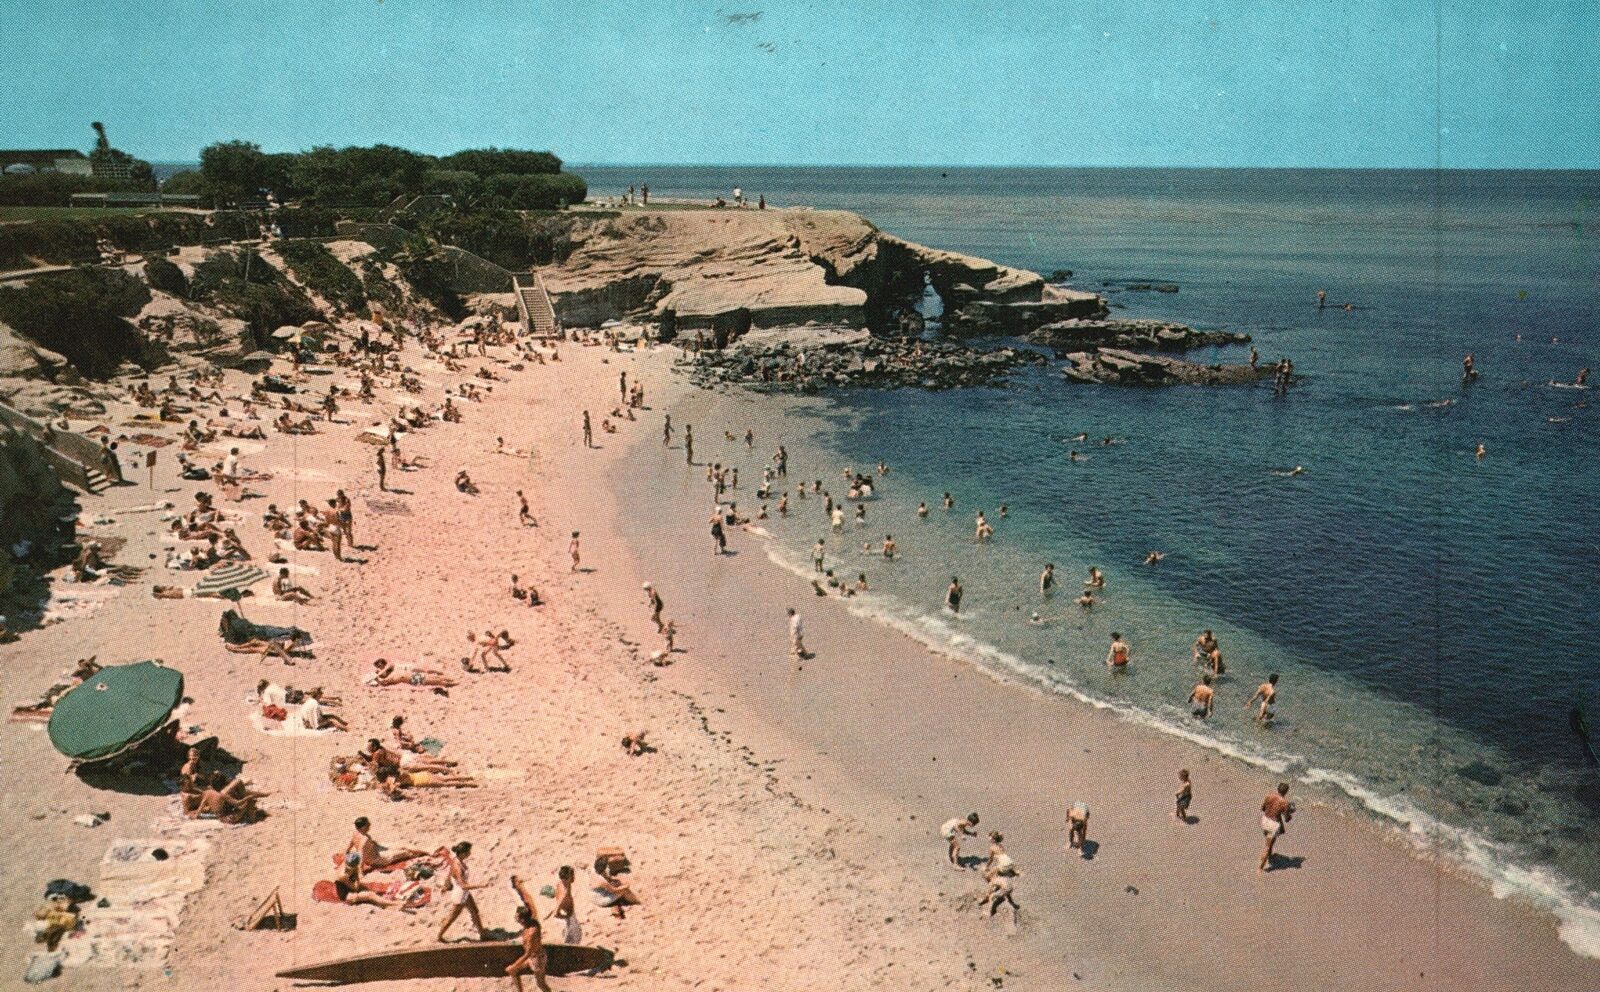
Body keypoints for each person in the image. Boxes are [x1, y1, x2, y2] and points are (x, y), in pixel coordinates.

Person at [507, 876, 553, 992]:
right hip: (534, 957)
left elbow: (528, 953)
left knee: (541, 984)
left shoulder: (531, 933)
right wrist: (519, 887)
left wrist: (514, 964)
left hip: (537, 959)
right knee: (513, 972)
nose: (516, 918)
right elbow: (528, 900)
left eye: (517, 917)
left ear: (522, 920)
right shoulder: (533, 920)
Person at [438, 841, 487, 941]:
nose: (470, 853)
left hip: (464, 893)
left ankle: (482, 934)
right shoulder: (458, 866)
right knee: (452, 917)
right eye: (469, 851)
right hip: (460, 895)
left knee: (475, 912)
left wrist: (446, 886)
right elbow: (463, 886)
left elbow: (449, 875)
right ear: (463, 853)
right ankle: (439, 936)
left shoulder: (456, 860)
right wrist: (481, 885)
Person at [347, 816, 425, 872]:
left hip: (375, 848)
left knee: (401, 846)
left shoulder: (355, 833)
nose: (369, 825)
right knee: (405, 853)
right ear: (362, 827)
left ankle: (425, 850)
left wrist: (347, 853)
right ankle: (425, 852)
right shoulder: (365, 840)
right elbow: (361, 855)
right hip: (376, 859)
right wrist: (360, 872)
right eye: (367, 824)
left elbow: (350, 845)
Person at [1260, 783, 1294, 871]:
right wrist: (1290, 813)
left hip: (1264, 820)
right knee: (1267, 846)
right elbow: (1287, 819)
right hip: (1273, 824)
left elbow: (1263, 808)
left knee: (1270, 840)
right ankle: (1260, 868)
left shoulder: (1269, 796)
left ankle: (1270, 855)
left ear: (1277, 789)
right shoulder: (1284, 802)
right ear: (1286, 792)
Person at [549, 864, 581, 945]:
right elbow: (560, 902)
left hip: (567, 915)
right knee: (574, 940)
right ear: (569, 877)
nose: (574, 877)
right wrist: (561, 914)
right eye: (572, 875)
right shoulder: (565, 891)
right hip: (567, 918)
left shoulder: (561, 883)